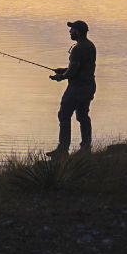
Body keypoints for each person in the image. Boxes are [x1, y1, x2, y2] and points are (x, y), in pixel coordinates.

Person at [48, 20, 96, 157]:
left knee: (64, 114)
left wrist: (60, 77)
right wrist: (63, 70)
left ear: (78, 32)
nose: (70, 32)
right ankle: (86, 147)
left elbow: (73, 72)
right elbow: (79, 68)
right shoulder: (90, 46)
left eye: (72, 30)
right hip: (89, 86)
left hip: (76, 89)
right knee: (82, 116)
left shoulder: (78, 48)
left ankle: (63, 149)